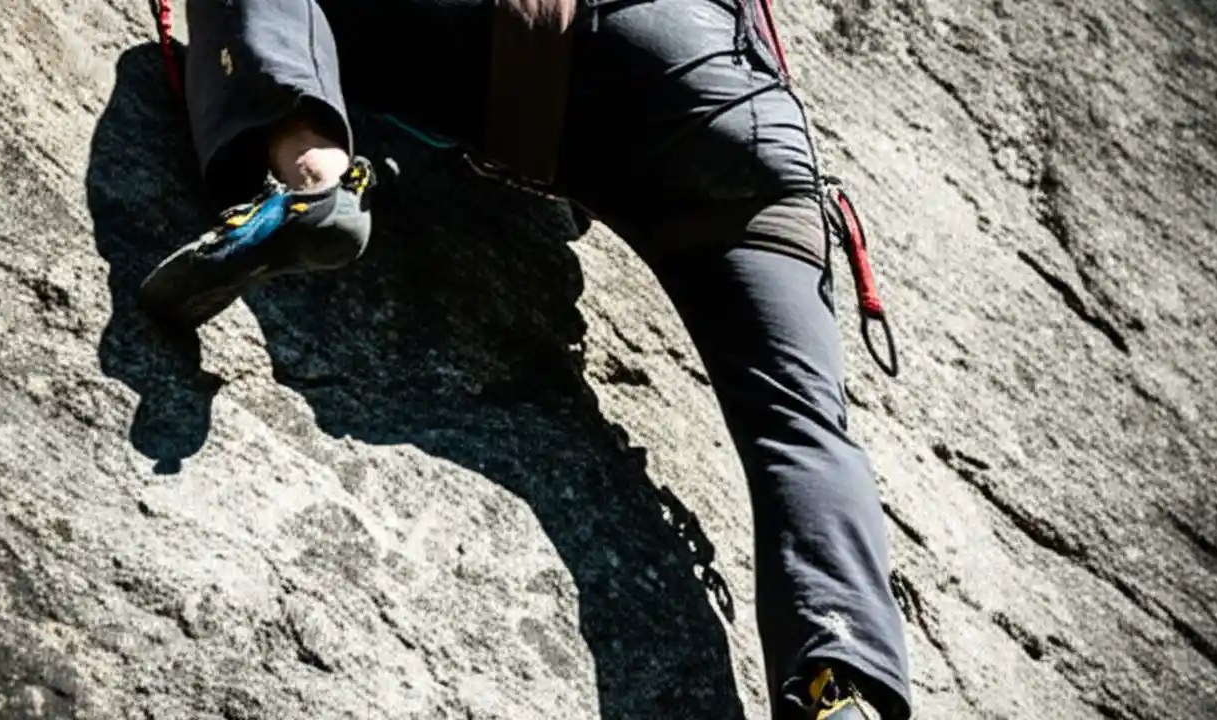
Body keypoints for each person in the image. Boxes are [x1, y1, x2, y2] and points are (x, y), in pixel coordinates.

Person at [138, 1, 911, 717]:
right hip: (756, 131)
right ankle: (837, 679)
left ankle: (313, 178)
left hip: (573, 44)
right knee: (802, 429)